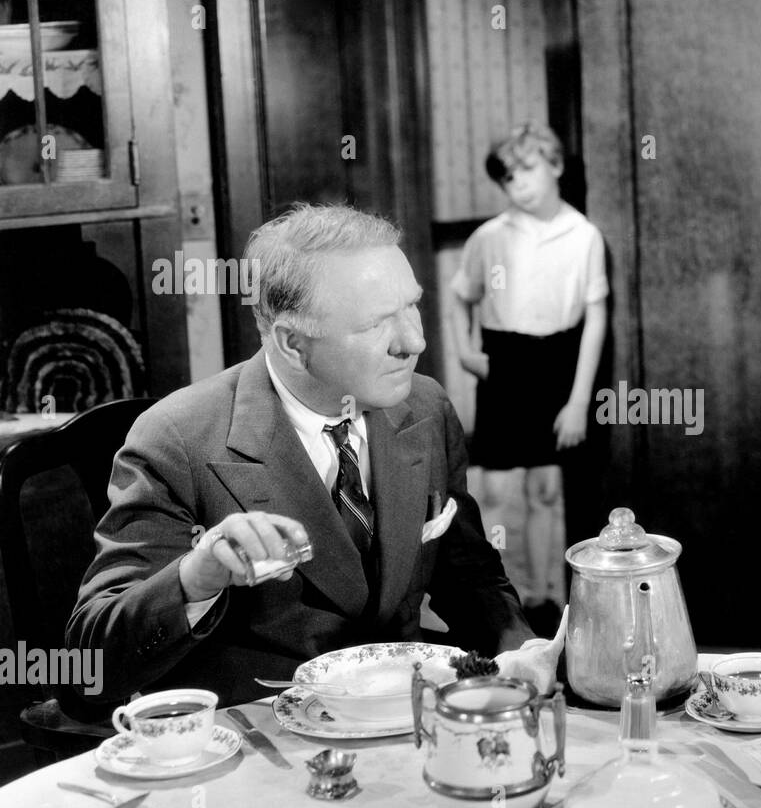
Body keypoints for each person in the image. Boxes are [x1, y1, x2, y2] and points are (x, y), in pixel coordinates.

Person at [68, 204, 536, 704]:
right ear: (293, 344)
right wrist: (196, 577)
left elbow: (467, 574)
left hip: (405, 722)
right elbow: (88, 666)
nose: (413, 341)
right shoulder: (176, 439)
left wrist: (523, 652)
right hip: (260, 739)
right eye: (377, 323)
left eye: (412, 306)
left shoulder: (425, 407)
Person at [450, 122, 608, 638]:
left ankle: (547, 598)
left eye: (528, 169)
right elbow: (460, 295)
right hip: (504, 358)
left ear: (556, 165)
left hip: (556, 361)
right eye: (508, 176)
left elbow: (595, 319)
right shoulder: (490, 237)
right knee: (496, 489)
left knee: (545, 487)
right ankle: (506, 600)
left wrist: (579, 400)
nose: (518, 183)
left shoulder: (583, 235)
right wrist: (466, 353)